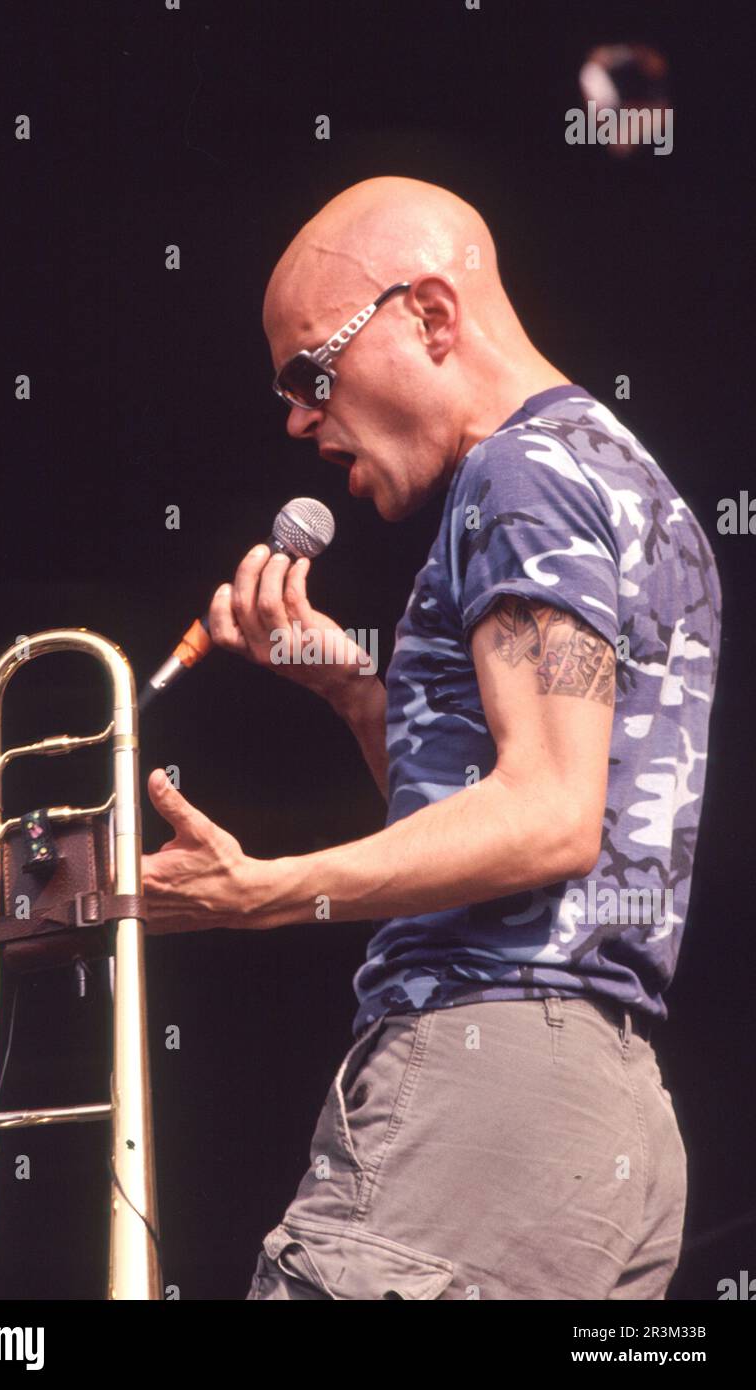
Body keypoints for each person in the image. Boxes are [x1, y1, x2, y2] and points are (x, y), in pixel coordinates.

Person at [141, 176, 722, 1300]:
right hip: (599, 1124)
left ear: (430, 317)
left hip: (483, 1087)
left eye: (311, 371)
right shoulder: (622, 481)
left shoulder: (515, 477)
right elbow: (525, 813)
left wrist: (262, 889)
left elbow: (546, 817)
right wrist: (355, 690)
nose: (298, 418)